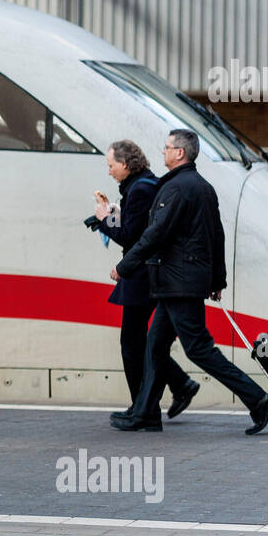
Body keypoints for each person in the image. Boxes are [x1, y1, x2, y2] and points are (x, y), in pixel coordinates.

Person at [108, 128, 268, 435]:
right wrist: (217, 279)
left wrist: (124, 266)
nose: (163, 152)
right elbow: (217, 236)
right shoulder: (201, 187)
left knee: (198, 349)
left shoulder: (177, 189)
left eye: (167, 147)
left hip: (178, 283)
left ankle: (257, 398)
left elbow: (155, 234)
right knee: (154, 347)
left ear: (179, 153)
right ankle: (145, 413)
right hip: (180, 282)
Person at [84, 140, 199, 417]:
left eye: (112, 165)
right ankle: (179, 385)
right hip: (145, 271)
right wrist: (109, 217)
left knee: (132, 343)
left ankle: (142, 406)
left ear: (125, 164)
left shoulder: (140, 189)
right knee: (147, 341)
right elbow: (137, 225)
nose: (109, 171)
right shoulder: (143, 185)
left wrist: (104, 219)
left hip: (142, 274)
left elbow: (132, 235)